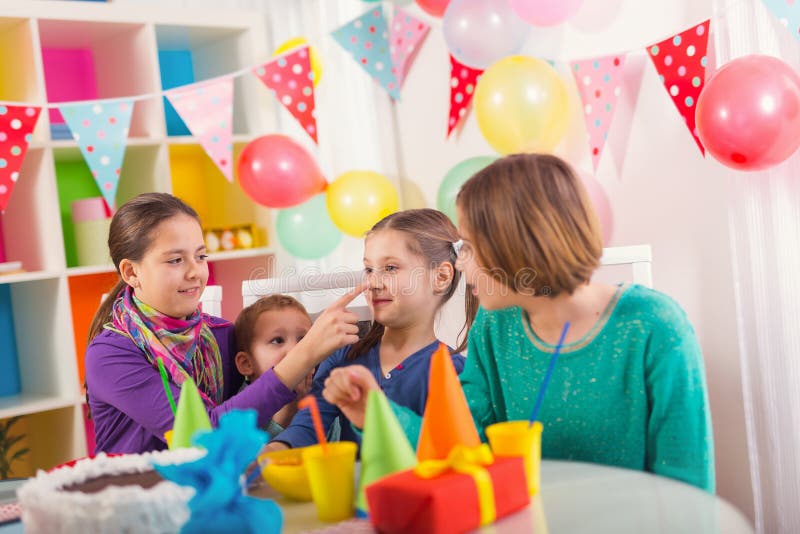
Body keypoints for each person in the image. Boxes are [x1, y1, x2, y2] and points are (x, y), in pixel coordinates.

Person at [322, 154, 715, 492]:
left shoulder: (655, 328)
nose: (460, 263)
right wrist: (375, 414)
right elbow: (460, 446)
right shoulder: (494, 329)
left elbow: (687, 487)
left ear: (517, 245)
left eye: (470, 247)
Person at [85, 192, 364, 454]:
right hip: (134, 494)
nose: (195, 271)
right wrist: (305, 353)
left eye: (201, 256)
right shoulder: (109, 354)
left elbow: (254, 408)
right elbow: (201, 435)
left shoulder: (221, 335)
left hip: (211, 488)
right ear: (131, 272)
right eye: (175, 260)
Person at [267, 208, 476, 450]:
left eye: (391, 268)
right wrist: (272, 452)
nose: (373, 283)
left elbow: (442, 448)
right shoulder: (345, 355)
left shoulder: (453, 371)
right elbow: (309, 426)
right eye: (369, 269)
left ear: (441, 277)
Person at [233, 294, 314, 439]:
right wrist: (287, 414)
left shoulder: (320, 395)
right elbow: (248, 457)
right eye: (278, 340)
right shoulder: (242, 409)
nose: (296, 350)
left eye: (303, 339)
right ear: (247, 364)